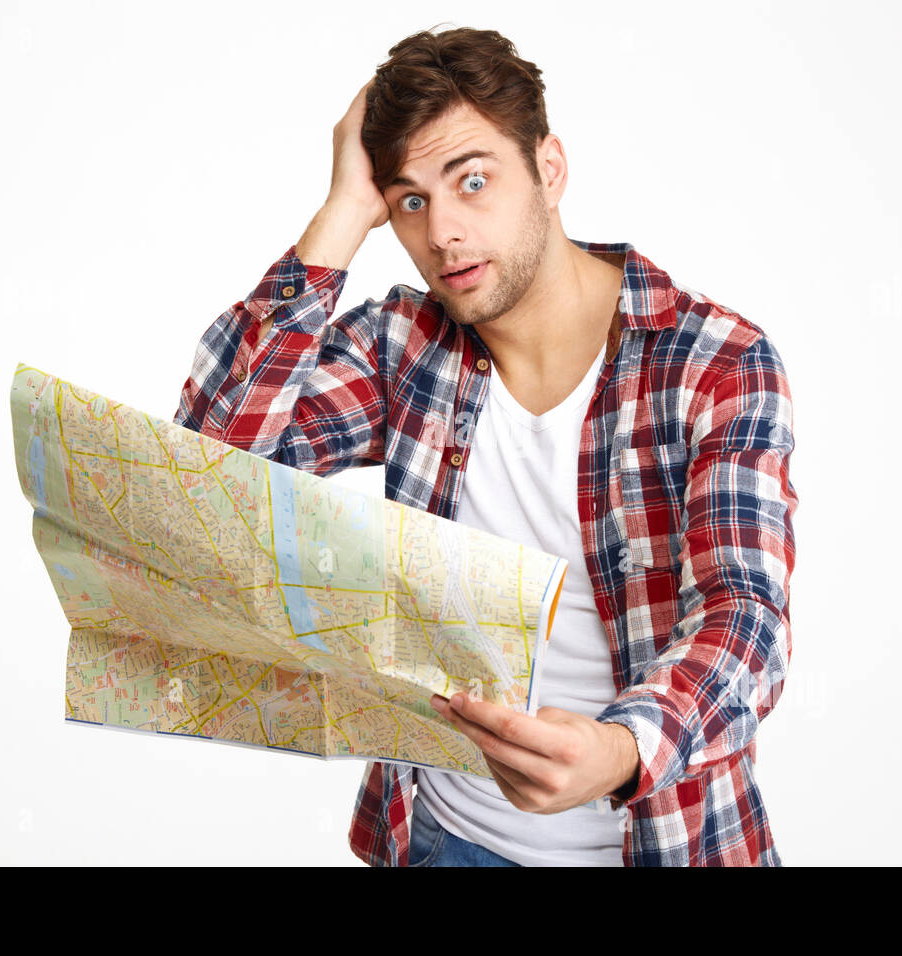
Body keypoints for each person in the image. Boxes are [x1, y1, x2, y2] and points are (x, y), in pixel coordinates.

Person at [173, 25, 799, 866]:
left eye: (473, 181)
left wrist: (618, 753)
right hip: (446, 838)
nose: (444, 234)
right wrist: (345, 211)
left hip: (662, 843)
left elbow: (745, 618)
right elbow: (204, 470)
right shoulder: (404, 344)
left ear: (549, 168)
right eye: (412, 201)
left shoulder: (714, 362)